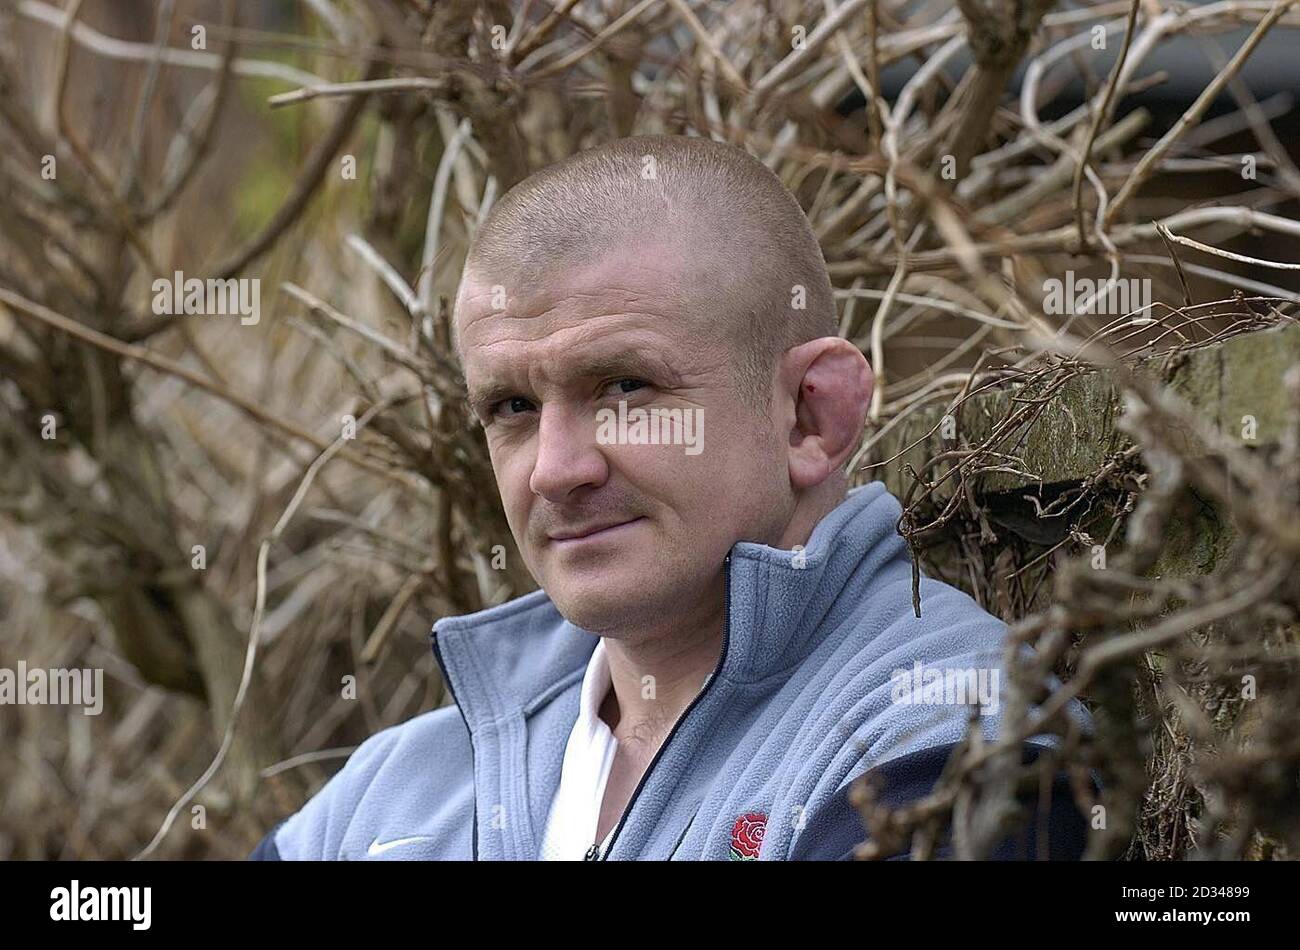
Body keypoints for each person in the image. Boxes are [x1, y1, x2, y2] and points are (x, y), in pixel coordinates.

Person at [249, 134, 1090, 861]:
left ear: (812, 415)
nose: (554, 469)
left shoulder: (945, 733)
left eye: (624, 386)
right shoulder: (390, 798)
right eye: (512, 407)